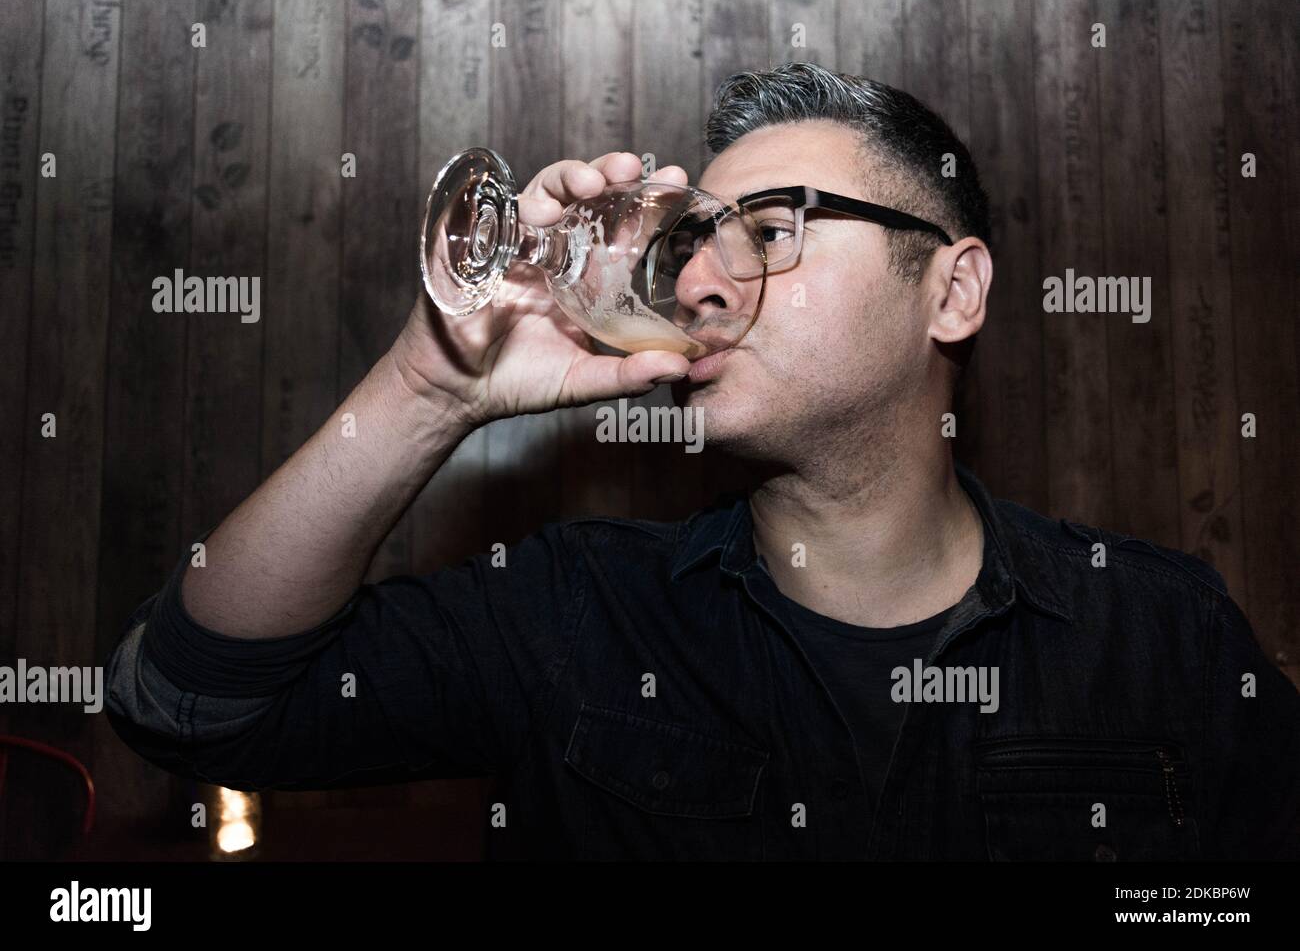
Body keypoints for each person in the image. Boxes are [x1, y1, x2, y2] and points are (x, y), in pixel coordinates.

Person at [105, 62, 1299, 860]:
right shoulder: (572, 610)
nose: (700, 281)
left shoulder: (1159, 634)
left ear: (953, 289)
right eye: (691, 244)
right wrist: (431, 387)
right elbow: (186, 705)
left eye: (770, 231)